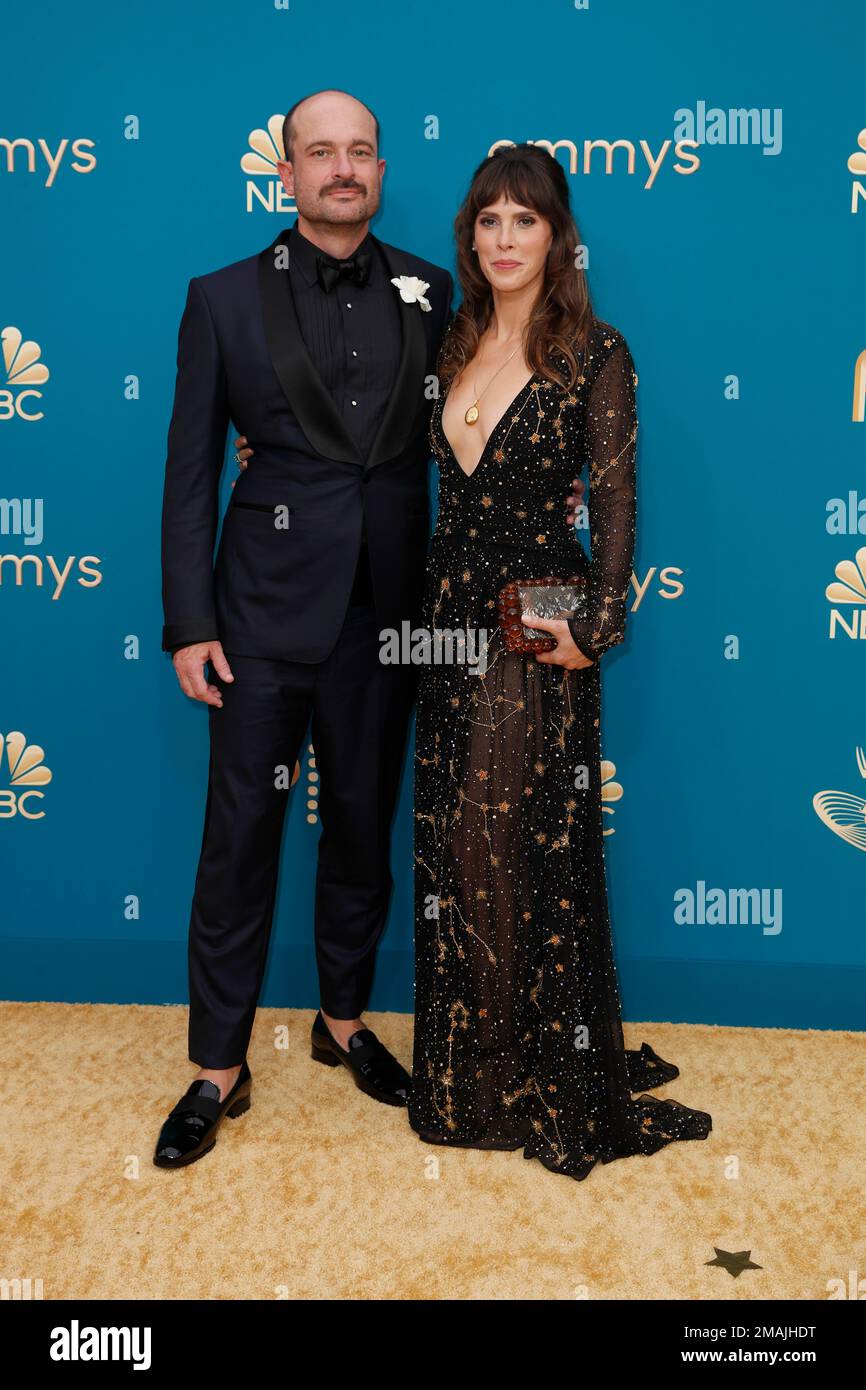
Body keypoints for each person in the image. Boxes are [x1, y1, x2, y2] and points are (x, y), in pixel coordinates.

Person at [154, 88, 454, 1168]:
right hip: (259, 621)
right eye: (319, 152)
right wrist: (189, 620)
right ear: (285, 172)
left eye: (359, 152)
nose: (341, 169)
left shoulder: (435, 290)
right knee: (239, 840)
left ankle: (343, 1023)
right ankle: (215, 1067)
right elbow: (190, 470)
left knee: (362, 828)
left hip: (388, 617)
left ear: (380, 169)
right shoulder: (223, 298)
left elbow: (467, 445)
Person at [406, 143, 712, 1181]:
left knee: (516, 848)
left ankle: (537, 1073)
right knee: (454, 847)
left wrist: (600, 623)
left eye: (522, 221)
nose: (502, 239)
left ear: (555, 236)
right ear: (469, 234)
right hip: (446, 617)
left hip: (533, 626)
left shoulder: (594, 349)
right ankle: (472, 1068)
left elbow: (617, 498)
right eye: (486, 221)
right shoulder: (447, 341)